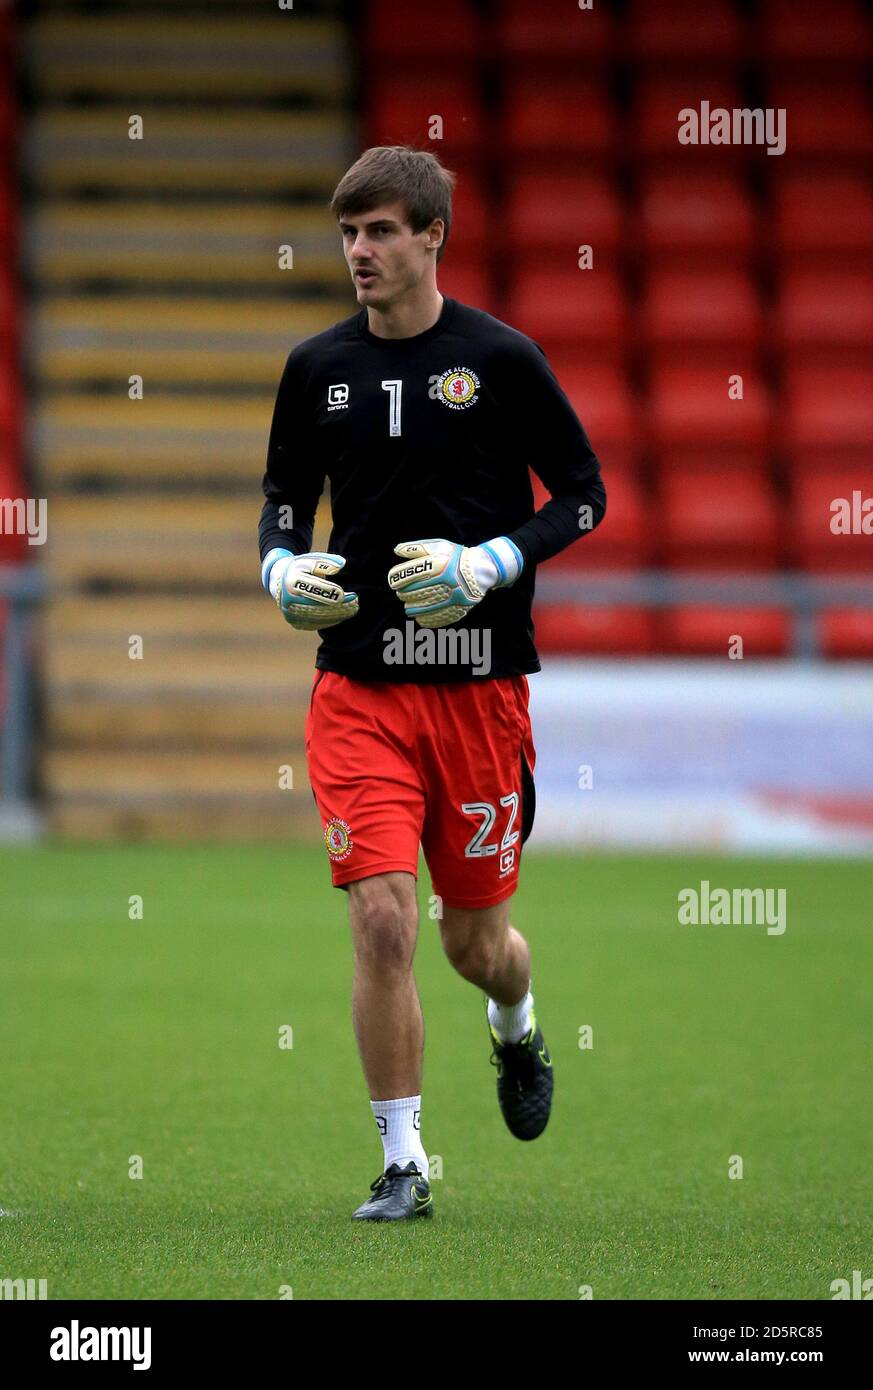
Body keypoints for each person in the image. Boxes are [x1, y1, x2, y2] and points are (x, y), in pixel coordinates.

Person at [258, 146, 606, 1220]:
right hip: (358, 688)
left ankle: (518, 1024)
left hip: (478, 690)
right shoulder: (316, 368)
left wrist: (492, 562)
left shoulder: (500, 360)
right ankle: (404, 1162)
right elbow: (282, 495)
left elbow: (586, 496)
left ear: (430, 235)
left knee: (475, 945)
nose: (358, 252)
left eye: (378, 232)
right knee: (380, 919)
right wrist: (278, 567)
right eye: (347, 234)